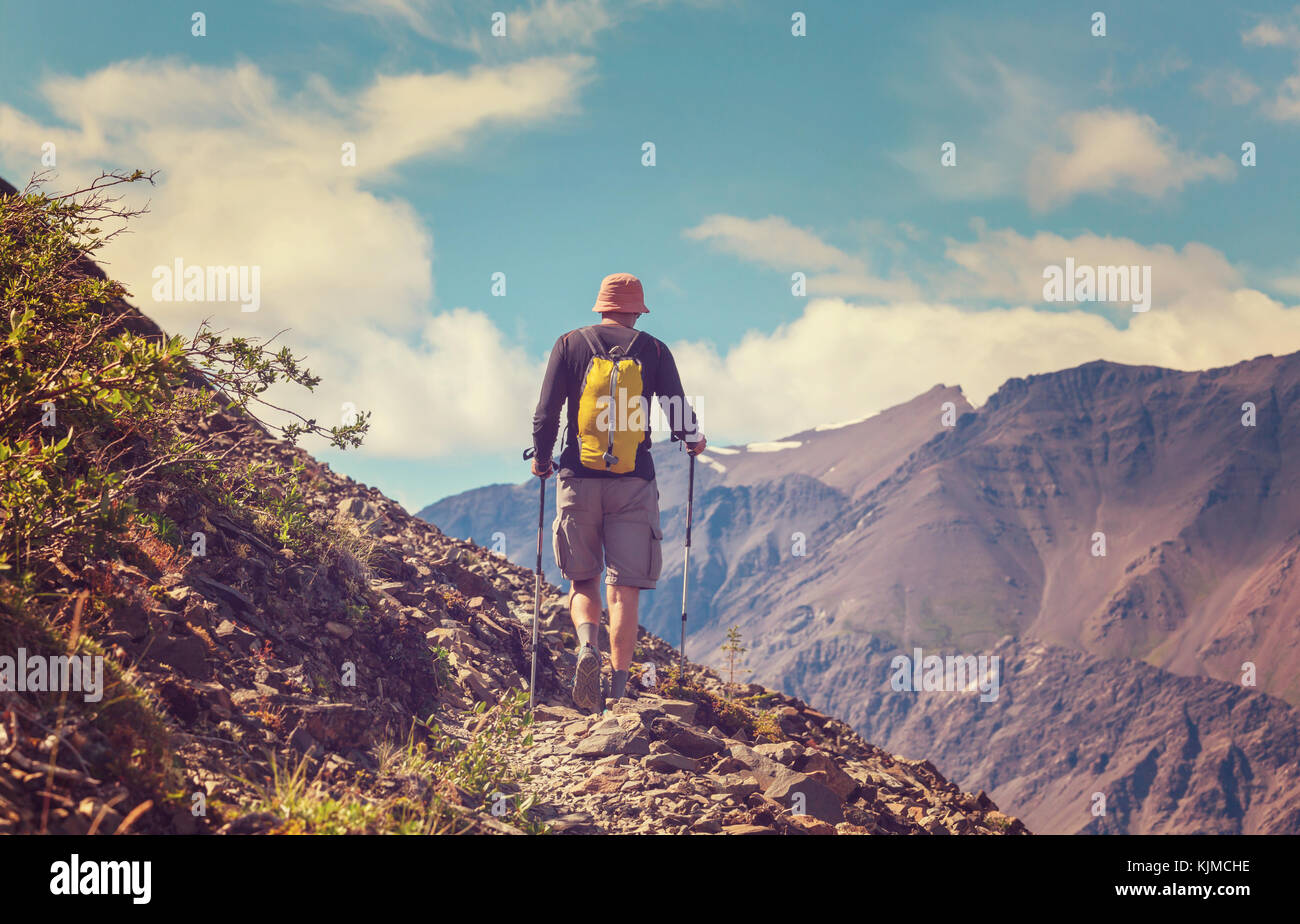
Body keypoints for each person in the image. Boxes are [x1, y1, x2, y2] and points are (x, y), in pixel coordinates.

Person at [531, 272, 706, 712]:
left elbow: (547, 411)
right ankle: (619, 689)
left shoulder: (569, 344)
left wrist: (541, 459)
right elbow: (677, 408)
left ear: (601, 306)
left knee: (583, 577)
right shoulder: (654, 350)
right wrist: (693, 440)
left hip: (578, 476)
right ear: (636, 310)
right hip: (633, 481)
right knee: (624, 587)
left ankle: (587, 648)